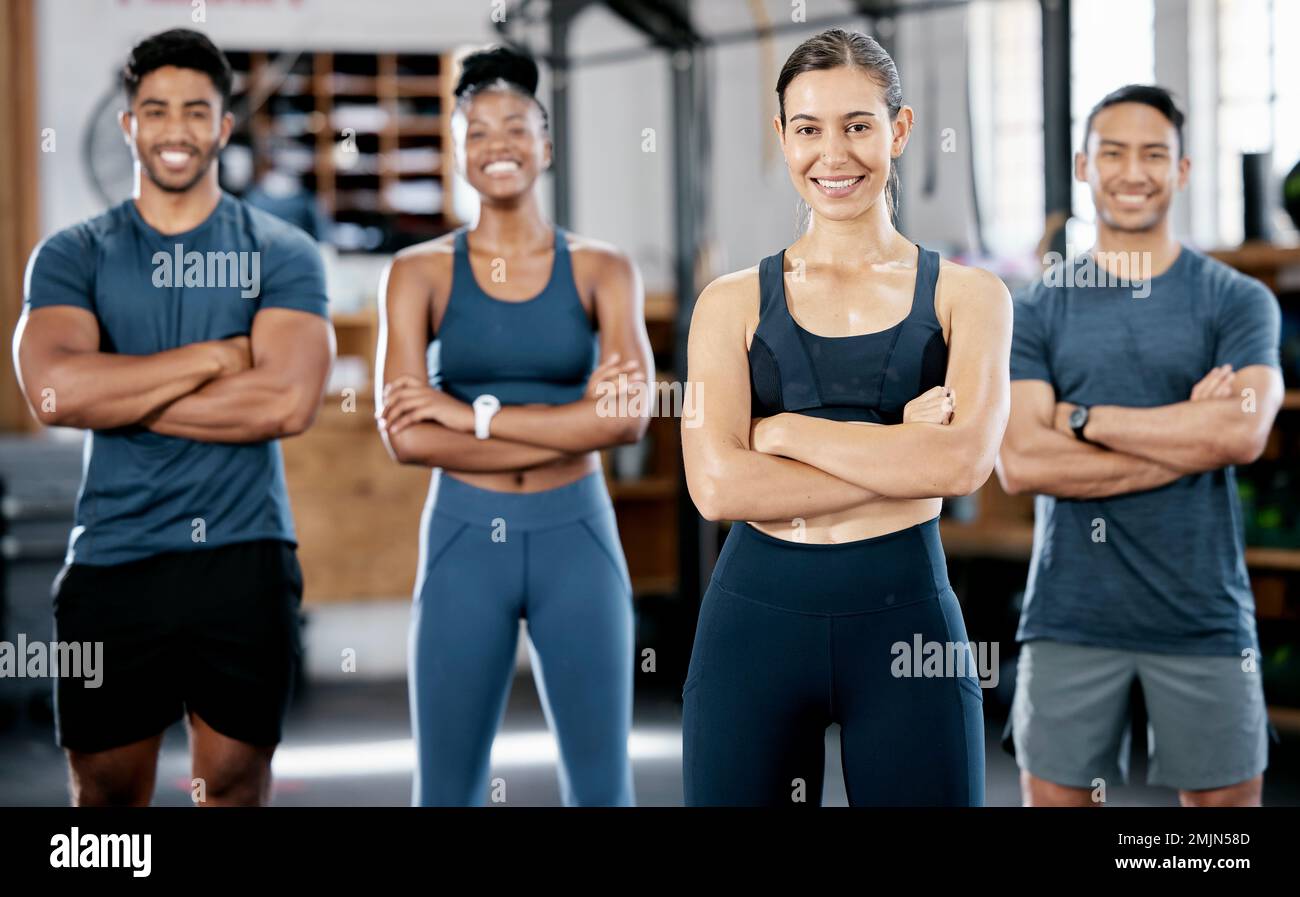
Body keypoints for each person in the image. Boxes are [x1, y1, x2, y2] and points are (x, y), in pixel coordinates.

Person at [680, 27, 1010, 806]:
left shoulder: (970, 297)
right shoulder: (727, 303)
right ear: (782, 137)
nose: (835, 155)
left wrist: (785, 434)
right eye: (809, 129)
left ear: (898, 129)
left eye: (858, 125)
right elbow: (721, 488)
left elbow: (961, 467)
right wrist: (901, 456)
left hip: (909, 633)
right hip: (752, 628)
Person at [12, 28, 333, 806]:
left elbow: (286, 401)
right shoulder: (72, 254)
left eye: (196, 109)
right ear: (129, 126)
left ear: (224, 126)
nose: (176, 128)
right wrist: (215, 358)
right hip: (115, 555)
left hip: (244, 552)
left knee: (229, 781)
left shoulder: (281, 251)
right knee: (109, 794)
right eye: (155, 109)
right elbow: (55, 394)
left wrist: (120, 392)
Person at [374, 45, 654, 807]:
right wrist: (577, 418)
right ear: (460, 150)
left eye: (516, 128)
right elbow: (405, 435)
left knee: (603, 788)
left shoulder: (604, 269)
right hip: (466, 538)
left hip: (579, 540)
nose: (499, 145)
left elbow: (630, 423)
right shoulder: (417, 272)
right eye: (480, 131)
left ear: (546, 144)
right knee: (446, 790)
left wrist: (473, 414)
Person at [996, 84, 1283, 807]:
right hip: (1069, 611)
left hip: (1203, 610)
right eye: (1113, 153)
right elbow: (1021, 461)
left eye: (1155, 154)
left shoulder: (1237, 299)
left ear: (1182, 170)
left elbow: (1241, 431)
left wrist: (1083, 419)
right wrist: (1187, 431)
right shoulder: (1035, 306)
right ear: (1083, 165)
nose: (1134, 171)